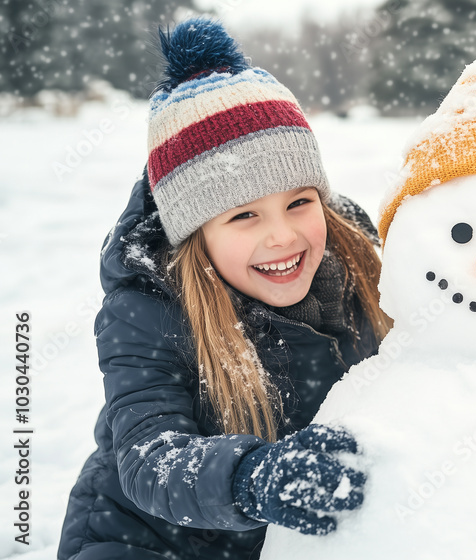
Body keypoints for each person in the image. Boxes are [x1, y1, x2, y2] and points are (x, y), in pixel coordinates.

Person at [57, 18, 390, 560]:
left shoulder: (362, 263)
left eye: (299, 203)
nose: (282, 235)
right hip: (151, 543)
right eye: (243, 216)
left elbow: (463, 333)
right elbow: (149, 456)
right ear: (196, 233)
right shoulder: (150, 308)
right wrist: (252, 477)